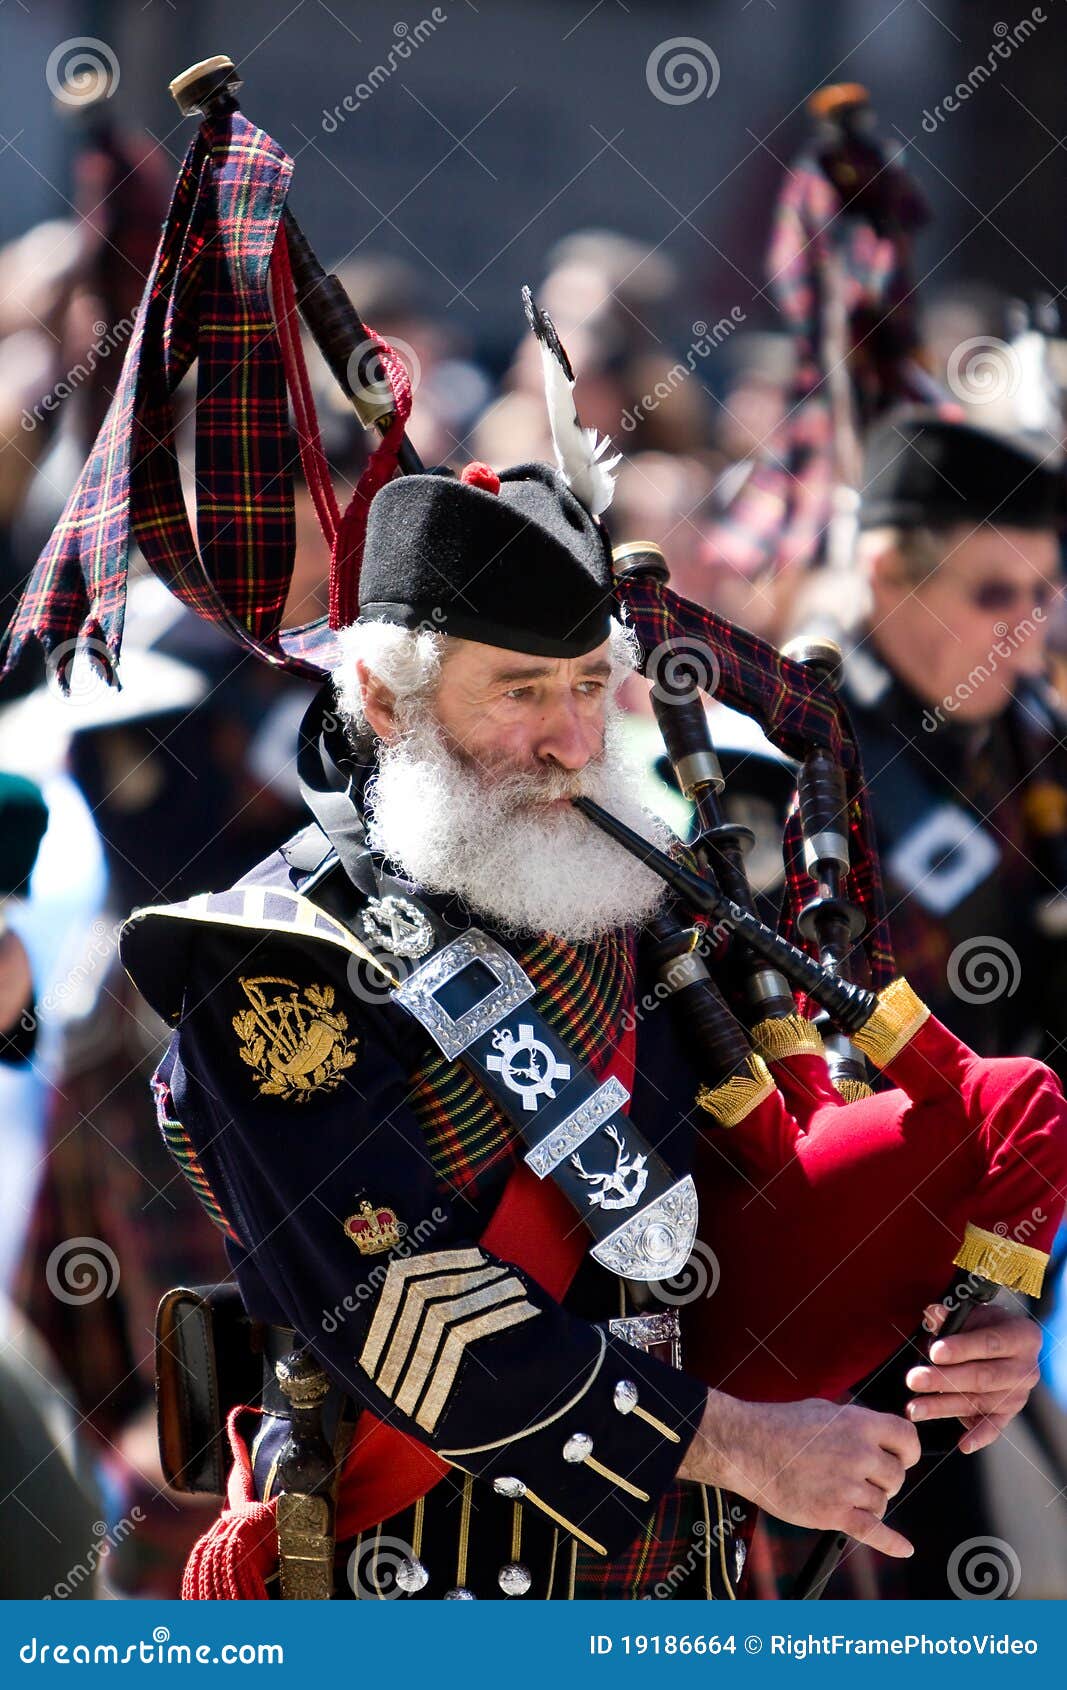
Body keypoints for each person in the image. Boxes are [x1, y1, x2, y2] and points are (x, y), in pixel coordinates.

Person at [118, 455, 1055, 1601]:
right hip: (428, 1583)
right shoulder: (280, 964)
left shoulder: (632, 901)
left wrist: (952, 1329)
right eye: (518, 691)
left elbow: (773, 1221)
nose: (570, 739)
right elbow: (411, 1317)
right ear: (382, 701)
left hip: (688, 1574)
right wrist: (740, 1444)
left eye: (585, 683)